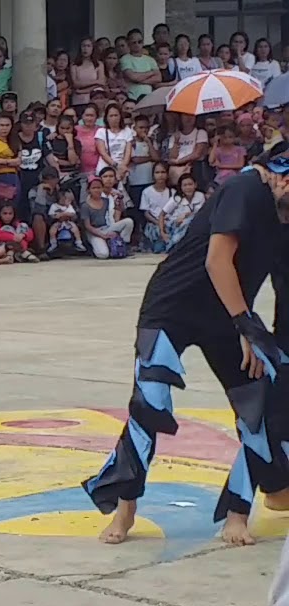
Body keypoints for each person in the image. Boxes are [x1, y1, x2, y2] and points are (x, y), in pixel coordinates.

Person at [84, 157, 289, 546]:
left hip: (226, 315)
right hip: (173, 307)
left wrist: (269, 344)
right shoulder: (246, 189)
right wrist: (246, 324)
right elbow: (217, 260)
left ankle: (238, 512)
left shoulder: (284, 224)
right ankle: (125, 509)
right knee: (150, 404)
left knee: (258, 403)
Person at [160, 173, 205, 251]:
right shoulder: (176, 198)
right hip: (175, 225)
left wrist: (187, 215)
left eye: (190, 184)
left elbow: (201, 213)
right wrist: (162, 232)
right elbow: (162, 214)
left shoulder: (200, 196)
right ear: (181, 187)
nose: (188, 187)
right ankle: (174, 244)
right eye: (185, 185)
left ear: (195, 185)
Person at [139, 162, 174, 253]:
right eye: (157, 172)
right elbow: (146, 212)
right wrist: (158, 223)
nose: (160, 175)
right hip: (153, 223)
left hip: (169, 223)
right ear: (153, 175)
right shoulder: (147, 191)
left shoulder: (172, 192)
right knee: (158, 248)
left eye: (163, 172)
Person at [120, 29, 161, 101]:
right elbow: (133, 77)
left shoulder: (150, 60)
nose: (137, 44)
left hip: (148, 97)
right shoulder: (125, 59)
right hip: (132, 97)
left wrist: (139, 80)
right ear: (128, 43)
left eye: (139, 42)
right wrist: (151, 72)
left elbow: (158, 78)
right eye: (134, 42)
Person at [47, 187, 83, 253]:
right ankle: (53, 244)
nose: (64, 200)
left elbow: (72, 213)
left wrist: (66, 214)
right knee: (52, 231)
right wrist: (57, 216)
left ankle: (79, 243)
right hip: (58, 222)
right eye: (62, 198)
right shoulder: (54, 206)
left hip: (68, 222)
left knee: (75, 229)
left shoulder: (69, 206)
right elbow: (51, 215)